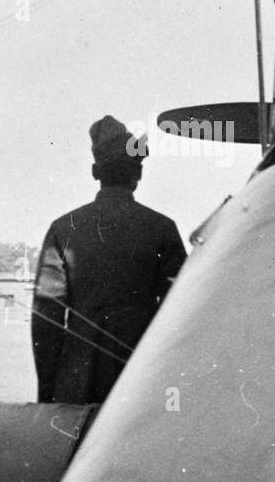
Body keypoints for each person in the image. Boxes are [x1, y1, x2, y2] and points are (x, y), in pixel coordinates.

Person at [32, 115, 186, 403]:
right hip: (141, 385)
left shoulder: (63, 229)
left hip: (76, 385)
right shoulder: (162, 229)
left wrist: (49, 395)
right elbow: (181, 314)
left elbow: (46, 322)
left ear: (95, 172)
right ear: (138, 173)